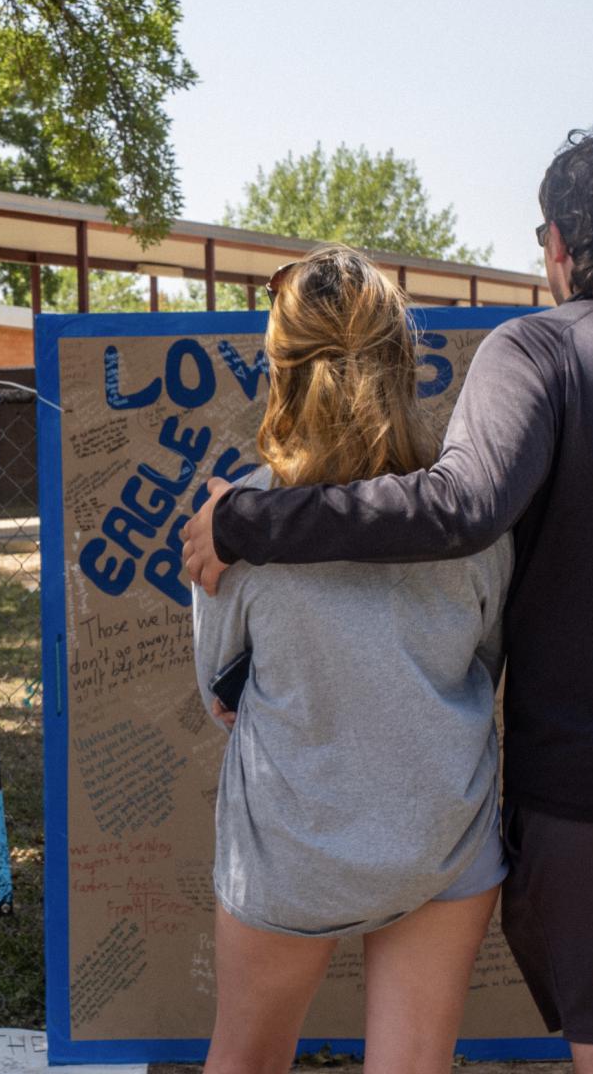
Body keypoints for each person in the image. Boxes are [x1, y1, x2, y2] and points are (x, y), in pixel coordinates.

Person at [183, 115, 593, 1074]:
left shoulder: (538, 351)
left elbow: (460, 506)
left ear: (565, 244)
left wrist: (250, 522)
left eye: (542, 238)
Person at [192, 244, 512, 1074]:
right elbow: (487, 658)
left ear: (280, 368)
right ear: (405, 363)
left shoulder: (235, 521)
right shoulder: (474, 524)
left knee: (246, 1059)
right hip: (442, 830)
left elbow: (219, 692)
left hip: (292, 838)